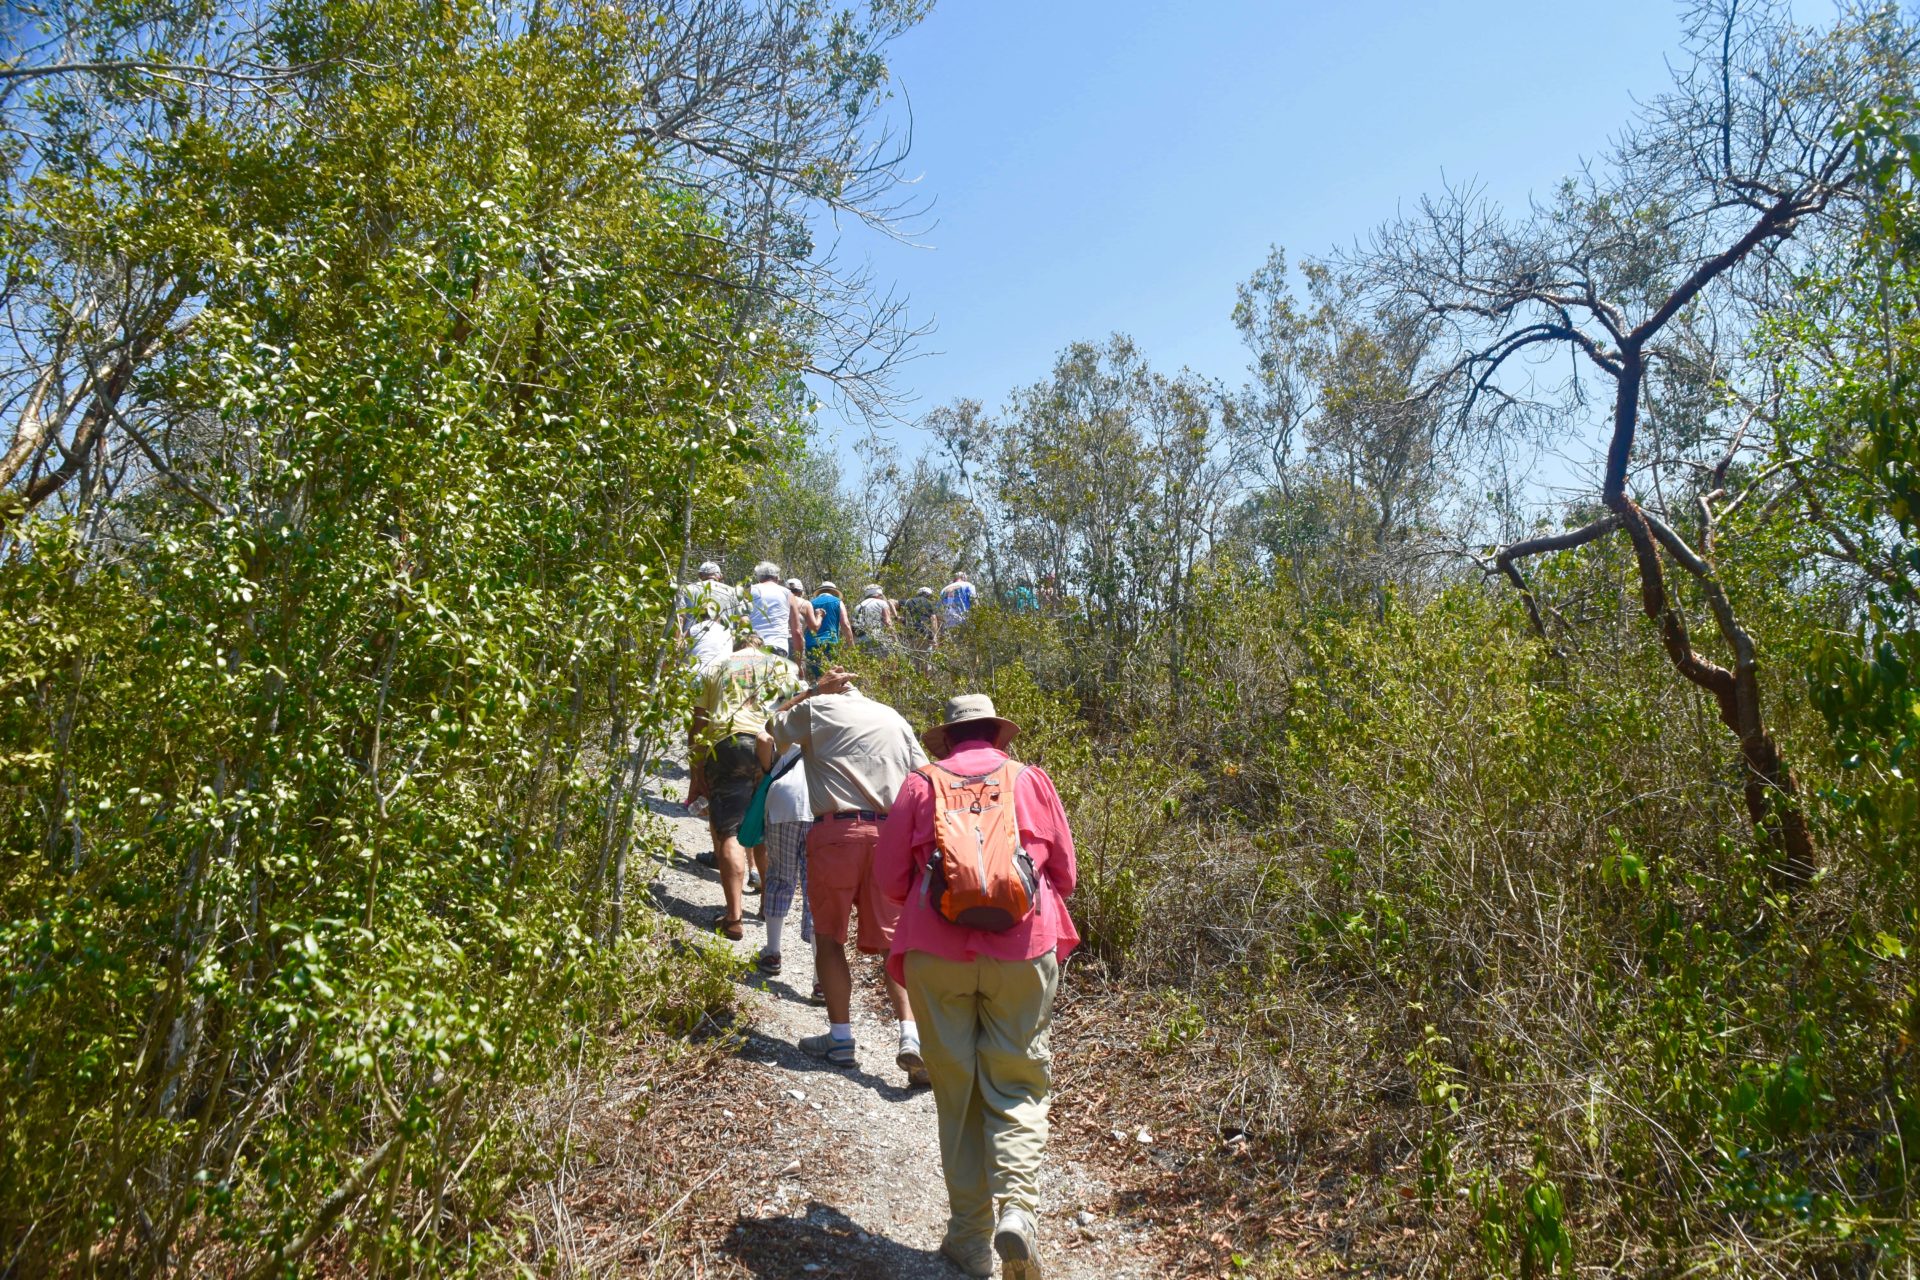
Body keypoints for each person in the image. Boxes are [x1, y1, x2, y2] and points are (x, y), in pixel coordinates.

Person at [874, 695, 1080, 1280]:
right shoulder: (1029, 780)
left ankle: (969, 1237)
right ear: (997, 735)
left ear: (947, 739)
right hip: (1024, 948)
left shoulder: (921, 785)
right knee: (1017, 1078)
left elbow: (890, 881)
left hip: (936, 957)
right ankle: (1019, 1211)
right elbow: (1064, 872)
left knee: (957, 1093)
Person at [768, 668, 928, 1086]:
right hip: (889, 836)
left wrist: (811, 692)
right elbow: (923, 778)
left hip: (835, 832)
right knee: (894, 944)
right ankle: (911, 1036)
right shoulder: (893, 717)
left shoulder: (817, 708)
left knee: (829, 936)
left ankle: (841, 1039)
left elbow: (771, 727)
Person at [689, 633, 802, 940]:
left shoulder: (716, 667)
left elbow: (698, 724)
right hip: (771, 746)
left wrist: (696, 773)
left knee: (730, 831)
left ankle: (734, 916)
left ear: (737, 646)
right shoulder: (783, 666)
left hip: (728, 745)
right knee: (762, 826)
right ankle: (767, 903)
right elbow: (798, 710)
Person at [757, 743, 814, 978]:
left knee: (780, 877)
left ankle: (772, 952)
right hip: (820, 810)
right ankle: (821, 980)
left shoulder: (793, 738)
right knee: (818, 893)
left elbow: (762, 738)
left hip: (782, 803)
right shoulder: (836, 741)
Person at [678, 560, 742, 669]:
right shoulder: (733, 592)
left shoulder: (687, 589)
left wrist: (677, 646)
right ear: (720, 576)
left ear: (700, 575)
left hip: (692, 640)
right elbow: (743, 620)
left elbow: (680, 618)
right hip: (725, 641)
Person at [747, 561, 800, 658]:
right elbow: (796, 631)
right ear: (776, 577)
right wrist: (799, 662)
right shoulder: (787, 594)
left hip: (753, 647)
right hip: (778, 647)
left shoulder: (750, 591)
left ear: (759, 578)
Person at [804, 580, 846, 679]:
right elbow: (845, 624)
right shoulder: (837, 601)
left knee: (819, 676)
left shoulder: (810, 603)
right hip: (830, 642)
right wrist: (851, 645)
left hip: (811, 643)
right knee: (833, 674)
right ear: (834, 592)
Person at [850, 583, 895, 651]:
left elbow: (852, 628)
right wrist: (895, 639)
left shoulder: (857, 607)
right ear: (878, 593)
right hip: (877, 639)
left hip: (861, 643)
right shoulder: (882, 603)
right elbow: (887, 622)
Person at [785, 576, 818, 657]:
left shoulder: (780, 600)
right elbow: (814, 628)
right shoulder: (805, 604)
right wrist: (819, 616)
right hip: (796, 641)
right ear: (800, 592)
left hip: (780, 641)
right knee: (797, 668)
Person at [900, 585, 938, 651]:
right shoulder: (930, 603)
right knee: (924, 656)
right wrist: (934, 635)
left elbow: (891, 602)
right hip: (925, 634)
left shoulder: (908, 601)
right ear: (929, 595)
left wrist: (896, 617)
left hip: (909, 633)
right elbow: (933, 619)